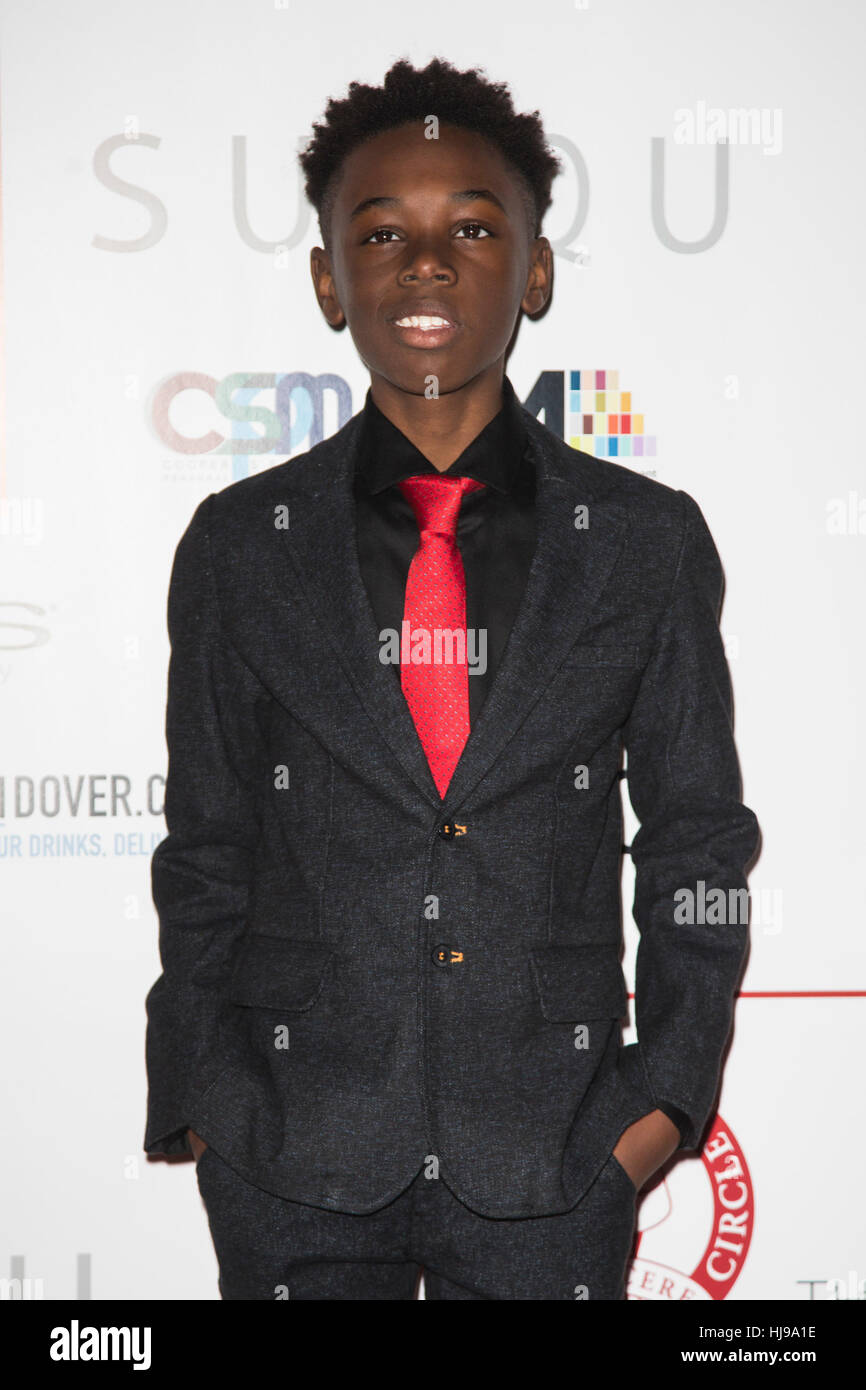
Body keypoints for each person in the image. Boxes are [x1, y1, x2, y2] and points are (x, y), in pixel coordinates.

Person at [143, 56, 759, 1300]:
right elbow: (206, 846)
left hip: (553, 1161)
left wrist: (660, 1104)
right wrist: (205, 1097)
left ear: (533, 271)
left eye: (472, 227)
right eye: (383, 233)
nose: (426, 263)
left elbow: (698, 845)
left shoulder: (642, 541)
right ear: (329, 278)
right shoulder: (237, 543)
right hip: (288, 1162)